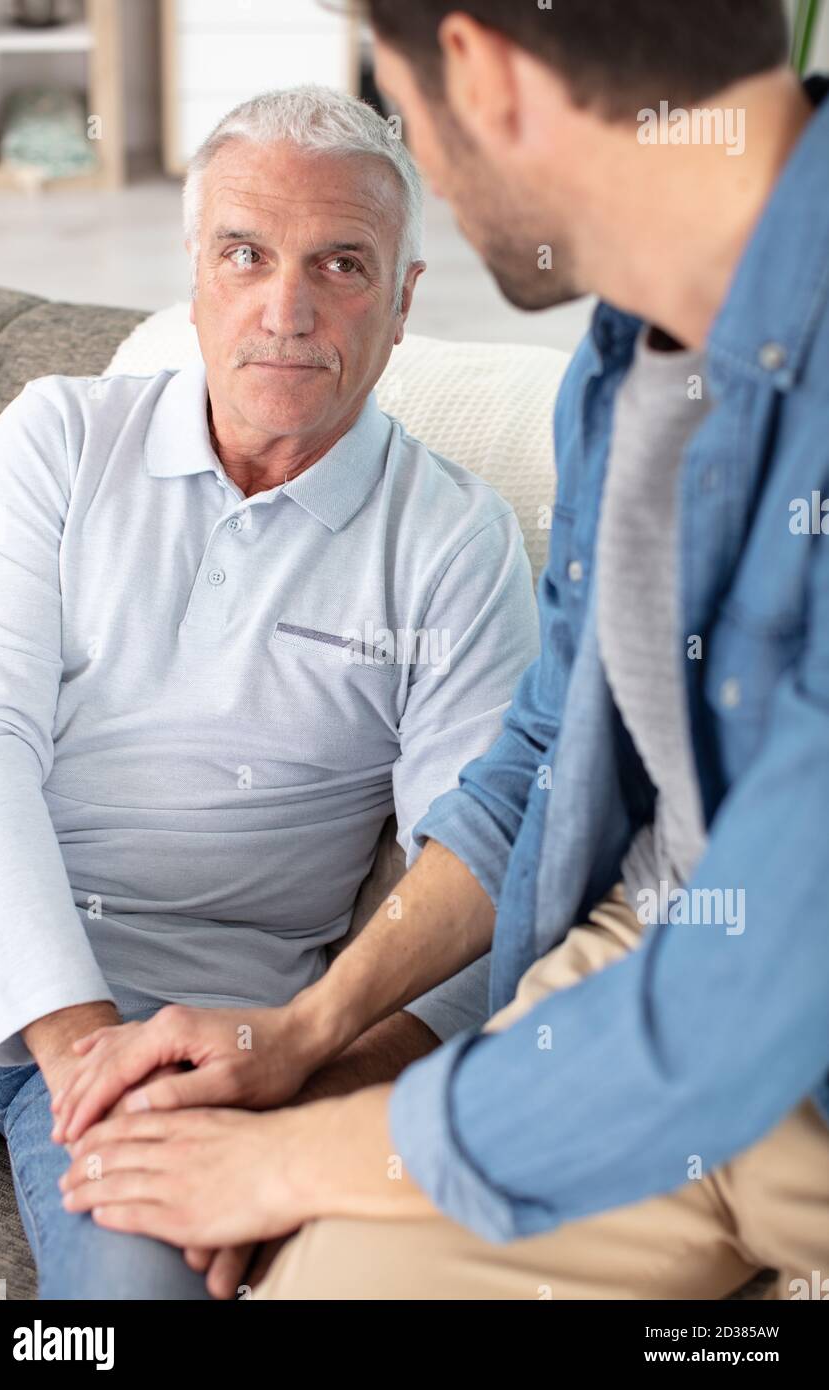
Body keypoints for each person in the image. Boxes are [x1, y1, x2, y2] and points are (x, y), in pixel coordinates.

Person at [58, 0, 829, 1300]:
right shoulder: (633, 340)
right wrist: (309, 1032)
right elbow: (544, 747)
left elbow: (751, 986)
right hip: (621, 998)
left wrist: (304, 1155)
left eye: (400, 98)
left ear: (476, 70)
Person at [0, 86, 539, 1299]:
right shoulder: (57, 439)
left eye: (340, 264)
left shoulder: (453, 545)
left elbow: (489, 886)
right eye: (245, 254)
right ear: (195, 274)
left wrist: (296, 1087)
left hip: (190, 1038)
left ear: (400, 301)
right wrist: (76, 1053)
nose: (285, 311)